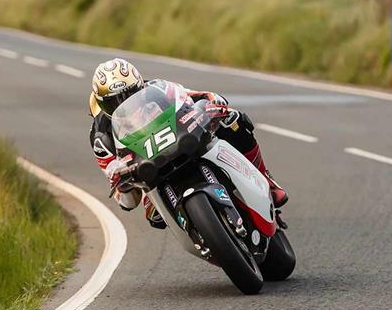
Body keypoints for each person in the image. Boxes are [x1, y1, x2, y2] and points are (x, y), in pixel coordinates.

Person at [88, 58, 288, 229]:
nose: (124, 104)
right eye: (113, 103)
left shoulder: (157, 89)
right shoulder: (100, 136)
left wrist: (213, 105)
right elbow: (127, 201)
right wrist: (121, 183)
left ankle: (266, 180)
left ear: (140, 85)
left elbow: (199, 97)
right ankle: (202, 234)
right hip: (150, 172)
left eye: (130, 94)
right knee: (155, 216)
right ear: (101, 104)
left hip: (184, 140)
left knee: (235, 121)